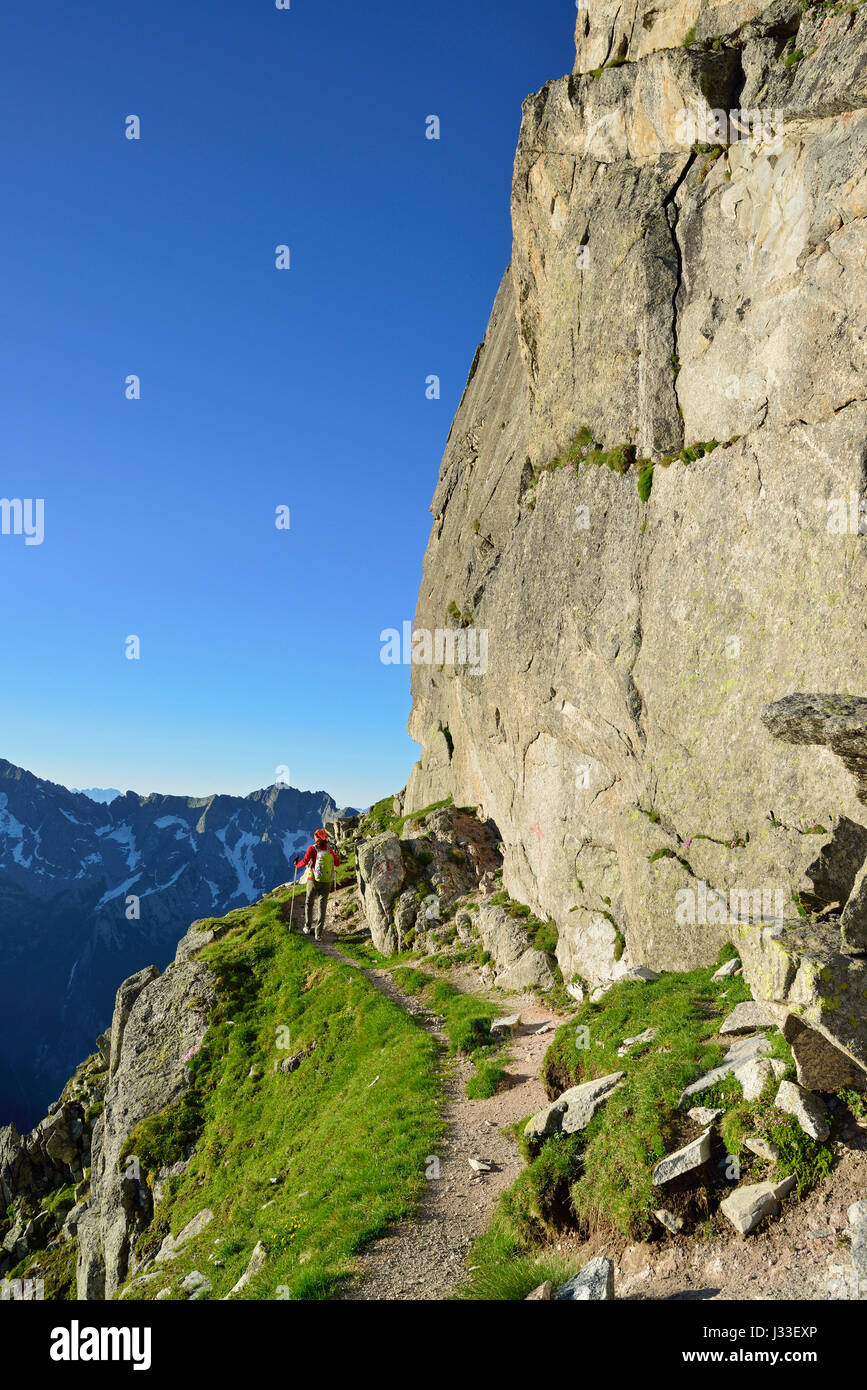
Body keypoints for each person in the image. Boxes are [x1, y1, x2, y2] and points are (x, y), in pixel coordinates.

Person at [295, 828, 341, 940]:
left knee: (309, 902)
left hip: (313, 879)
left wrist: (296, 864)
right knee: (322, 906)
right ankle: (318, 934)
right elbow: (337, 863)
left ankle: (307, 926)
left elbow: (304, 862)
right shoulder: (329, 850)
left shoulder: (312, 848)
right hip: (326, 881)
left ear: (316, 837)